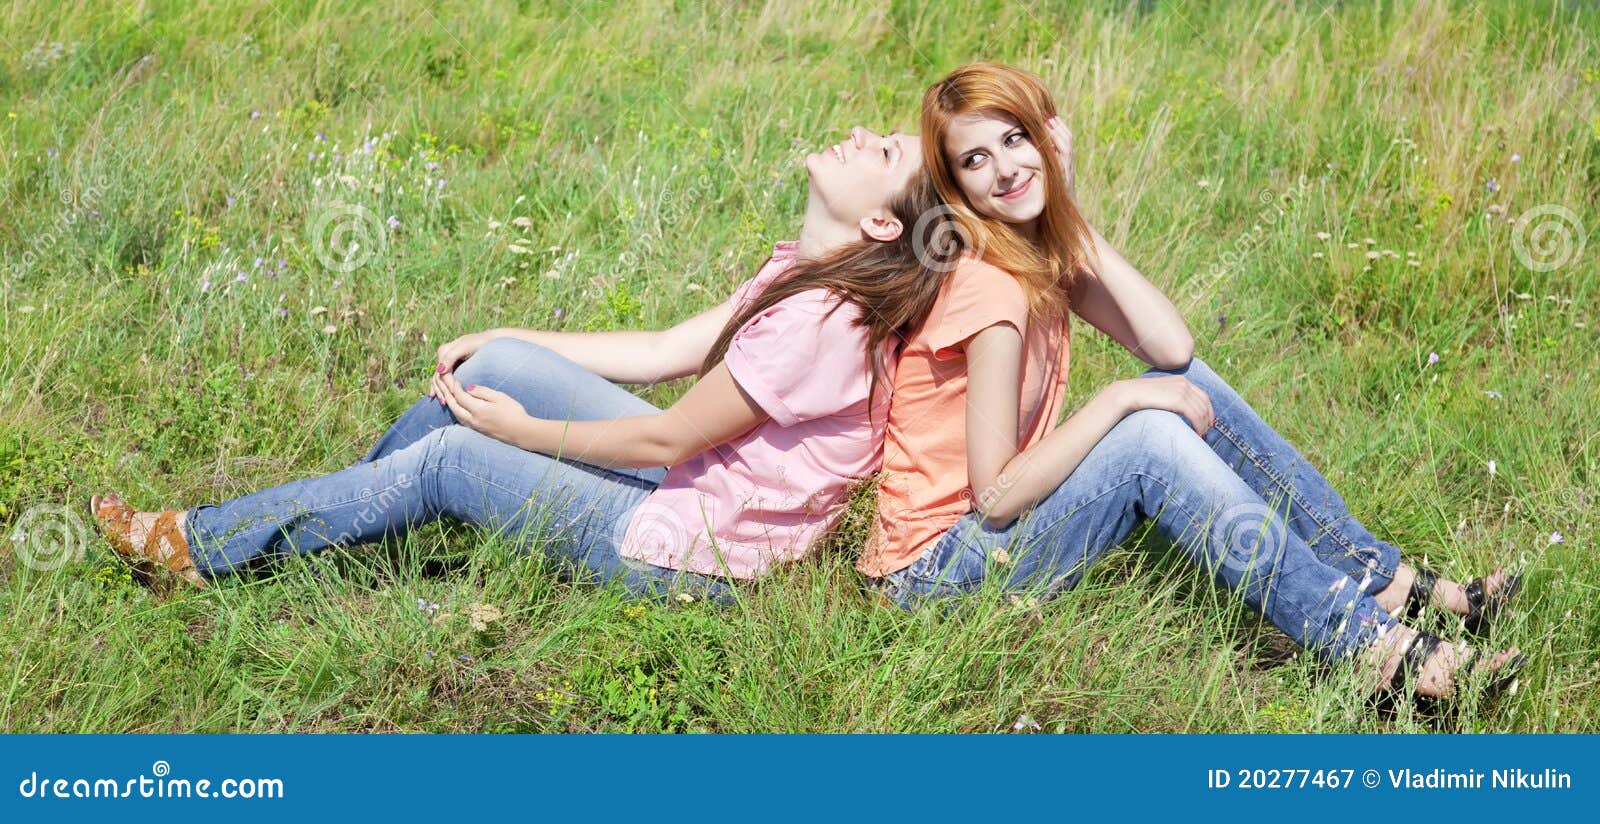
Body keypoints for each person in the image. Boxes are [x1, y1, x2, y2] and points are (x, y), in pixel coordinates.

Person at [862, 62, 1523, 707]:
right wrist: (1119, 397)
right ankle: (1371, 647)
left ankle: (1394, 585)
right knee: (1148, 435)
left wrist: (1066, 211)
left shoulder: (1031, 255)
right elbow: (997, 494)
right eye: (975, 160)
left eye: (1015, 138)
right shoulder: (988, 287)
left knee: (1181, 382)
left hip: (983, 541)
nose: (1005, 168)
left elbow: (1173, 348)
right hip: (936, 573)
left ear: (1047, 136)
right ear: (955, 188)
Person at [91, 126, 945, 603]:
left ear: (879, 227)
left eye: (883, 155)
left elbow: (665, 440)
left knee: (460, 454)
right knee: (497, 364)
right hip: (695, 484)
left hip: (705, 554)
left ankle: (196, 545)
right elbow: (666, 353)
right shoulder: (802, 271)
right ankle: (344, 517)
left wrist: (524, 432)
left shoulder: (825, 325)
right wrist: (512, 337)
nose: (863, 135)